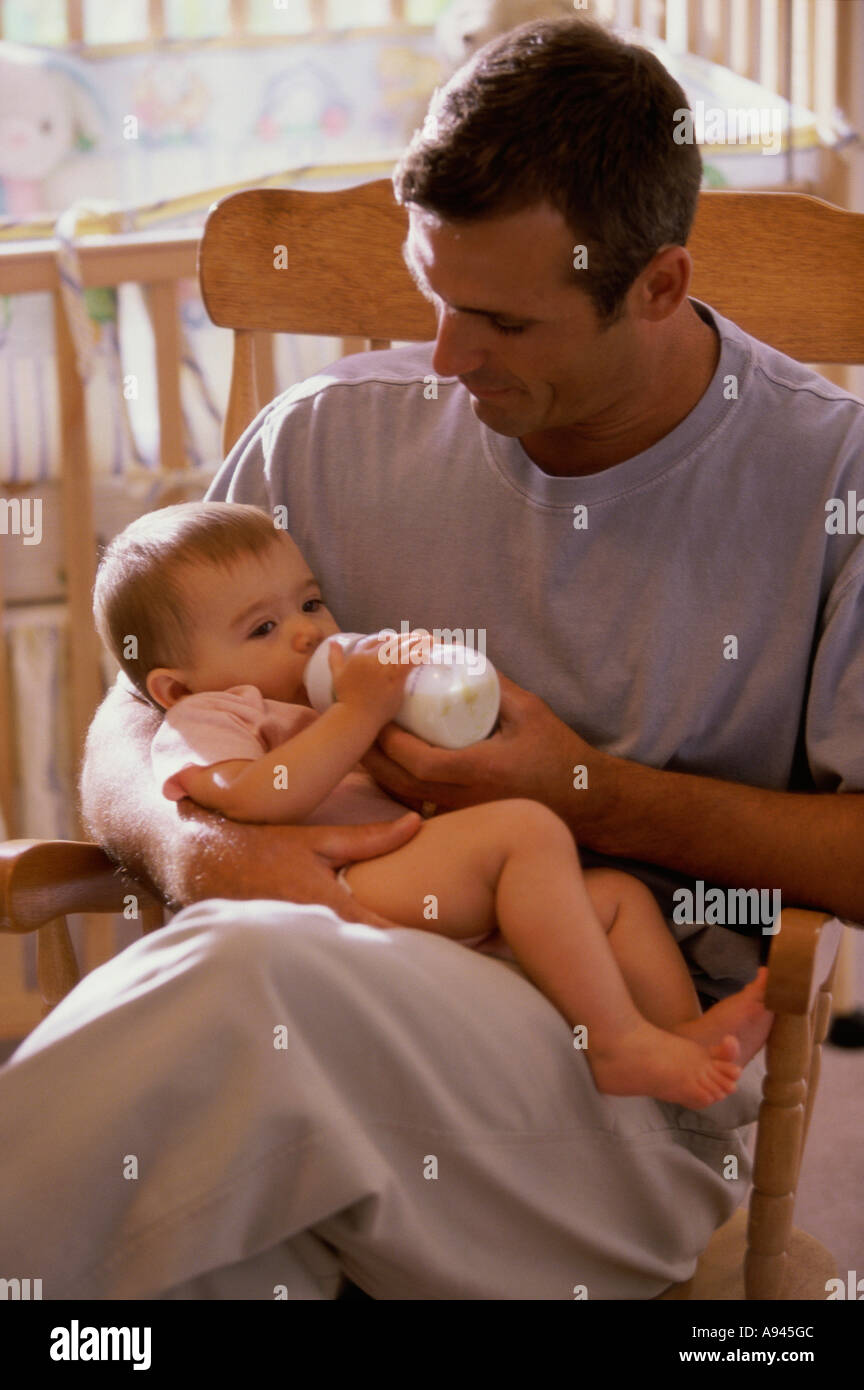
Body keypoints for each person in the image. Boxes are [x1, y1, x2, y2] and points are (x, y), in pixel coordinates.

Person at [2, 15, 862, 1300]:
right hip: (319, 1056)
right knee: (205, 1264)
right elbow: (142, 718)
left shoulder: (830, 481)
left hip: (617, 1086)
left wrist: (586, 790)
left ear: (660, 286)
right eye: (433, 294)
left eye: (503, 322)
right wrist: (209, 849)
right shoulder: (324, 441)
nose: (448, 360)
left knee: (246, 976)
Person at [92, 500, 772, 1109]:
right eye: (263, 627)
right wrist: (359, 711)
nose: (306, 634)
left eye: (310, 603)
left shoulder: (328, 698)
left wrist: (423, 700)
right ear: (174, 689)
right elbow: (256, 797)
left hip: (429, 886)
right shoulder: (212, 715)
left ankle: (677, 1037)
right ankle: (619, 1045)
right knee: (523, 833)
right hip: (341, 892)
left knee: (619, 898)